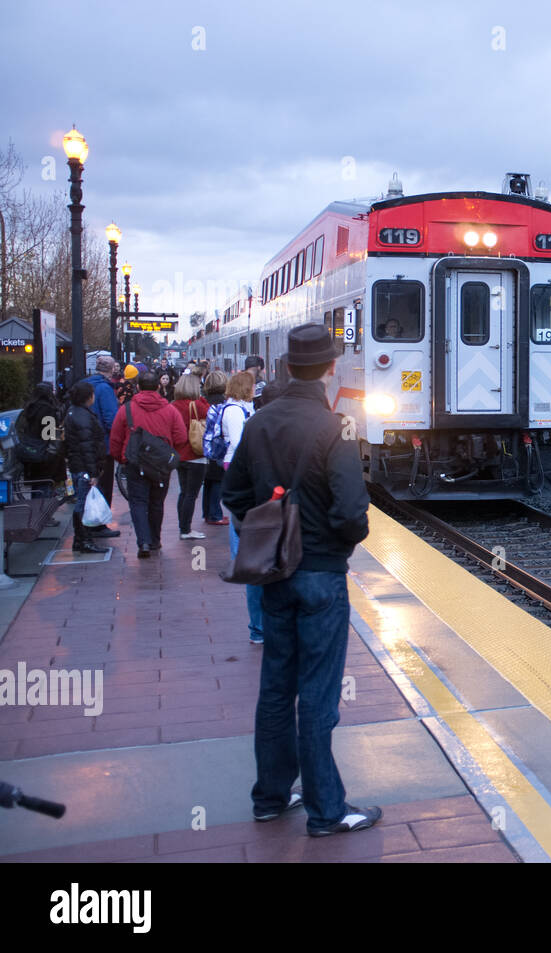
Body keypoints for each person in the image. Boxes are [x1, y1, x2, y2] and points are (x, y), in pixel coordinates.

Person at [224, 323, 377, 837]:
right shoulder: (336, 428)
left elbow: (233, 493)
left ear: (286, 366)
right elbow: (353, 511)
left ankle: (270, 797)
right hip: (321, 576)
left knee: (275, 687)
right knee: (317, 695)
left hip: (274, 574)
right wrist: (336, 545)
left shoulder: (258, 422)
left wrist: (269, 526)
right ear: (332, 367)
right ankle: (326, 811)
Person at [109, 370, 187, 559]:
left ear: (138, 387)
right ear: (159, 386)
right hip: (160, 465)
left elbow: (116, 439)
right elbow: (181, 437)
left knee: (138, 502)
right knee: (156, 502)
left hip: (135, 463)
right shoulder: (169, 410)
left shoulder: (126, 409)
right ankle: (155, 539)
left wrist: (121, 460)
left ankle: (143, 541)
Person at [221, 370, 262, 645]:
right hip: (238, 467)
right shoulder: (235, 411)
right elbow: (237, 443)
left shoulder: (237, 409)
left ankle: (259, 628)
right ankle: (259, 629)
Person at [64, 381, 110, 554]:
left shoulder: (73, 412)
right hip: (83, 466)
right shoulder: (83, 417)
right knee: (83, 503)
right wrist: (93, 472)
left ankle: (80, 539)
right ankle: (84, 539)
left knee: (82, 501)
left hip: (77, 464)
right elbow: (87, 446)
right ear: (88, 397)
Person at [81, 356, 123, 529]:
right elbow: (111, 419)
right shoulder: (105, 389)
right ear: (112, 369)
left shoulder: (85, 385)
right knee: (104, 483)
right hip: (102, 444)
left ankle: (88, 519)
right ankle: (99, 524)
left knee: (89, 483)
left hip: (85, 442)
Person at [171, 372, 211, 541]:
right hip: (196, 454)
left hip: (180, 455)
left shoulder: (172, 405)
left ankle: (183, 527)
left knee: (183, 492)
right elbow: (210, 413)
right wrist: (201, 399)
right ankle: (186, 529)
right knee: (191, 494)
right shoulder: (197, 405)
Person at [15, 383, 65, 495]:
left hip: (30, 452)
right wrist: (52, 452)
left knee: (36, 485)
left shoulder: (28, 409)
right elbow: (50, 435)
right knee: (44, 487)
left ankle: (36, 509)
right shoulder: (48, 410)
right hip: (44, 454)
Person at [201, 370, 229, 526]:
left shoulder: (205, 401)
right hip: (218, 449)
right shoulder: (222, 405)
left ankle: (207, 512)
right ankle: (215, 514)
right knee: (218, 481)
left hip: (206, 447)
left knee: (209, 481)